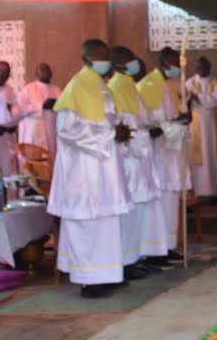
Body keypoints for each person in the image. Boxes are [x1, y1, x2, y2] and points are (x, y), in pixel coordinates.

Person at [49, 39, 133, 298]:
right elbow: (67, 131)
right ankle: (89, 280)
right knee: (87, 221)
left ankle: (107, 274)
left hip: (103, 168)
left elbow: (106, 120)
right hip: (83, 171)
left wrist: (118, 129)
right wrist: (110, 134)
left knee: (106, 222)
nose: (105, 59)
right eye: (100, 55)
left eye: (107, 54)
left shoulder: (99, 85)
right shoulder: (77, 88)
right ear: (86, 60)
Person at [108, 46, 169, 277]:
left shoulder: (129, 87)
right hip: (129, 161)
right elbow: (124, 129)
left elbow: (139, 122)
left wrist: (149, 131)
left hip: (141, 157)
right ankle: (127, 261)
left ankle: (137, 256)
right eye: (130, 60)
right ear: (118, 65)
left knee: (141, 212)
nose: (135, 63)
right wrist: (145, 135)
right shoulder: (116, 88)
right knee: (130, 213)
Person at [137, 47, 192, 261]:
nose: (178, 68)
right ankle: (157, 249)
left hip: (171, 152)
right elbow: (151, 124)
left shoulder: (166, 86)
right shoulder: (150, 86)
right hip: (159, 152)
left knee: (171, 200)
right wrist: (177, 122)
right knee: (160, 200)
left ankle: (168, 244)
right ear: (163, 63)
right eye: (174, 63)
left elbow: (168, 118)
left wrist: (180, 119)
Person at [186, 56, 217, 199]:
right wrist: (190, 100)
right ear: (195, 68)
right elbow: (183, 101)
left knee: (214, 157)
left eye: (204, 66)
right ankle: (199, 192)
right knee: (199, 157)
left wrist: (198, 98)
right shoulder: (188, 83)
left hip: (214, 124)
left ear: (209, 67)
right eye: (198, 67)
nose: (201, 69)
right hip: (195, 124)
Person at [17, 63, 62, 152]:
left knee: (49, 158)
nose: (45, 73)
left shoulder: (57, 90)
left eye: (47, 70)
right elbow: (19, 108)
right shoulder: (28, 89)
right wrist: (41, 106)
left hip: (50, 130)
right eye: (42, 70)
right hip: (33, 129)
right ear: (36, 74)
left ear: (51, 73)